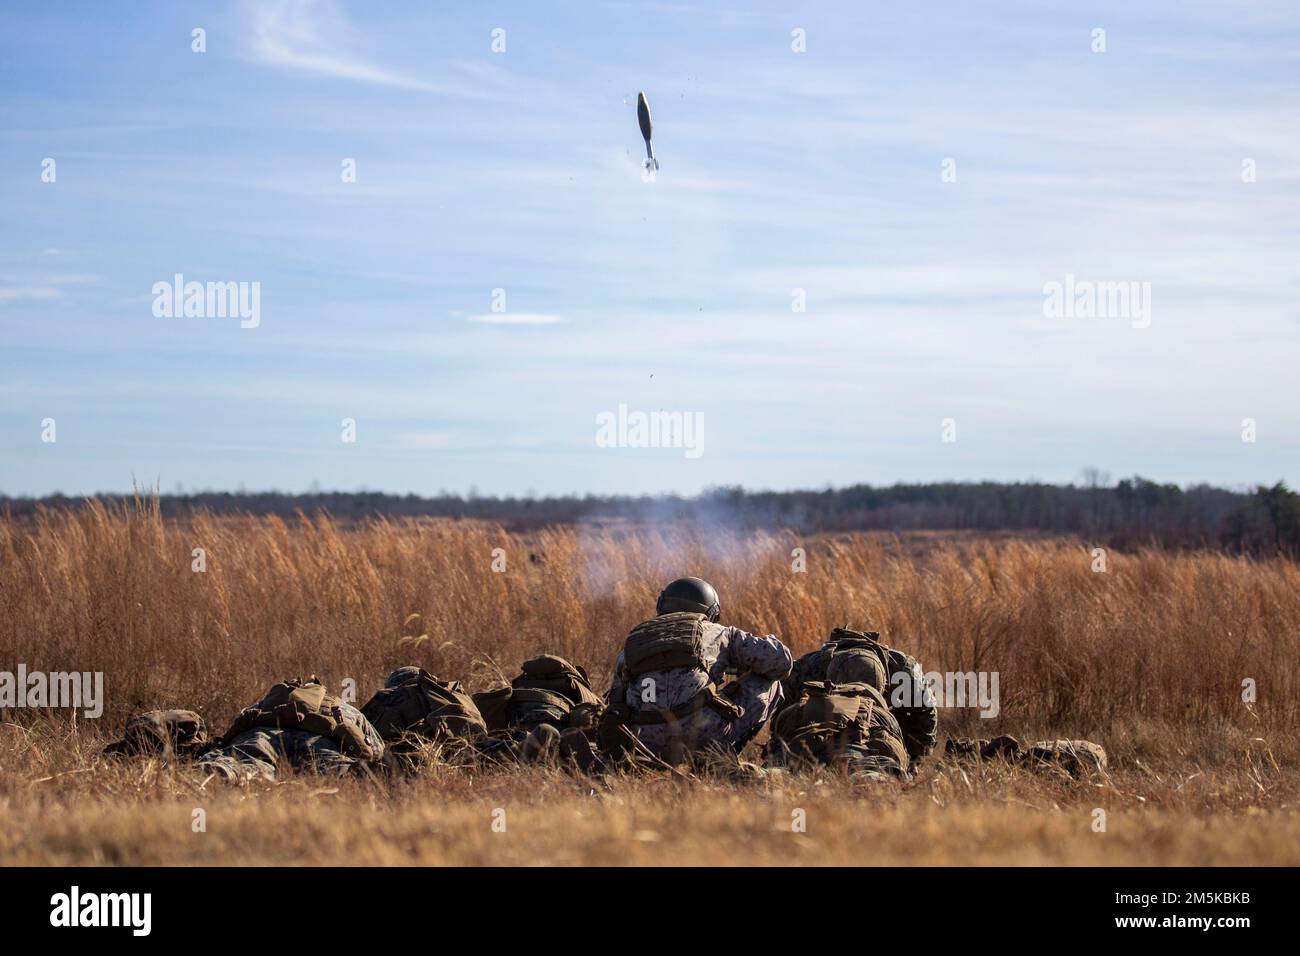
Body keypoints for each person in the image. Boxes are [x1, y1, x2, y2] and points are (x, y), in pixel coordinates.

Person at [600, 576, 792, 765]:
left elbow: (617, 697)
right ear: (712, 611)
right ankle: (722, 758)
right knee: (770, 682)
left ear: (662, 605)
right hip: (703, 736)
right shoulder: (721, 633)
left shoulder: (636, 639)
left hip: (643, 741)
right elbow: (781, 662)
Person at [784, 627, 937, 765]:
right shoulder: (902, 667)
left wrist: (916, 757)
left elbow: (785, 711)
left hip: (872, 723)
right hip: (850, 722)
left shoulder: (810, 665)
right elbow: (927, 712)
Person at [767, 640, 911, 780]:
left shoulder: (801, 704)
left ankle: (768, 773)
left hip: (803, 757)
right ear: (879, 682)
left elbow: (777, 739)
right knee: (870, 773)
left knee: (778, 772)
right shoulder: (882, 713)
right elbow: (895, 749)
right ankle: (867, 775)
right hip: (854, 758)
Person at [199, 676, 388, 781]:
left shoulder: (270, 700)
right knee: (338, 771)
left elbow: (242, 722)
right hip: (319, 740)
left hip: (262, 734)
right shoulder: (344, 707)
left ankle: (230, 773)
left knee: (243, 760)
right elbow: (375, 750)